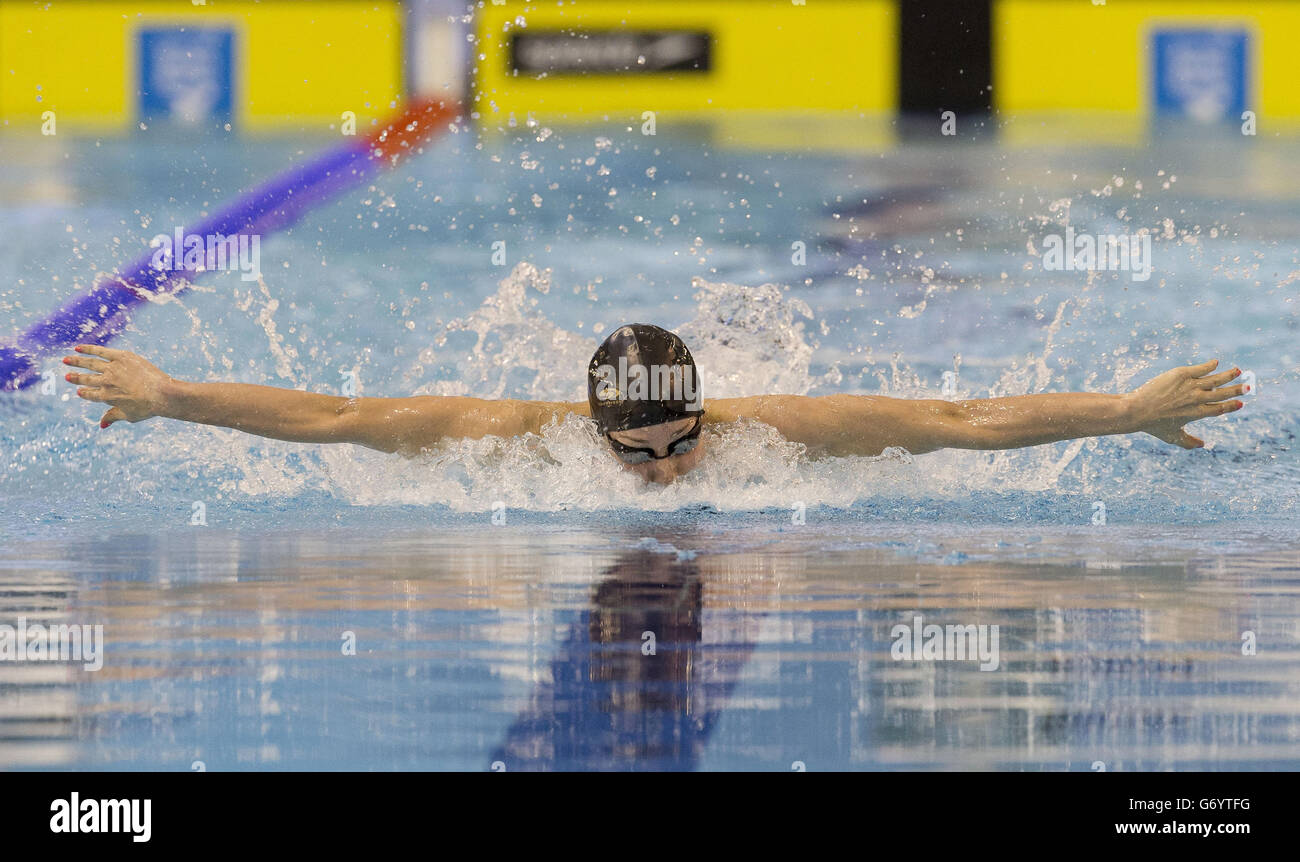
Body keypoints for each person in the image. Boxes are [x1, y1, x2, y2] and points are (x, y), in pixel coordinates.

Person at [61, 323, 1247, 485]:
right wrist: (171, 396)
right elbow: (330, 418)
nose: (674, 465)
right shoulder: (505, 434)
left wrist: (1122, 410)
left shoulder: (766, 431)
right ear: (595, 428)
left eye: (686, 439)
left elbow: (962, 423)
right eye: (645, 449)